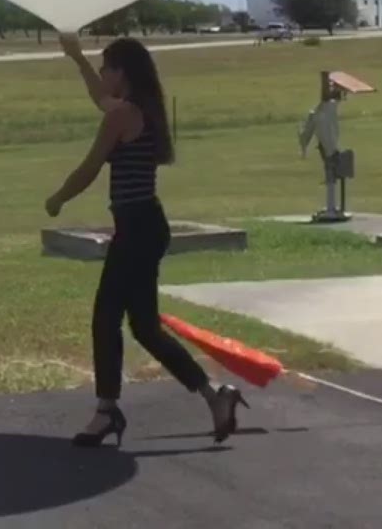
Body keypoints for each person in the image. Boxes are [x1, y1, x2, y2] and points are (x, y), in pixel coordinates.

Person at [45, 32, 247, 448]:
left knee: (106, 318)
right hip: (146, 225)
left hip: (137, 228)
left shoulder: (122, 116)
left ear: (122, 72)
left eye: (106, 67)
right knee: (145, 327)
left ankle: (105, 411)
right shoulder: (143, 109)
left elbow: (89, 168)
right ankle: (215, 395)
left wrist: (58, 198)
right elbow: (100, 99)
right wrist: (77, 57)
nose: (102, 75)